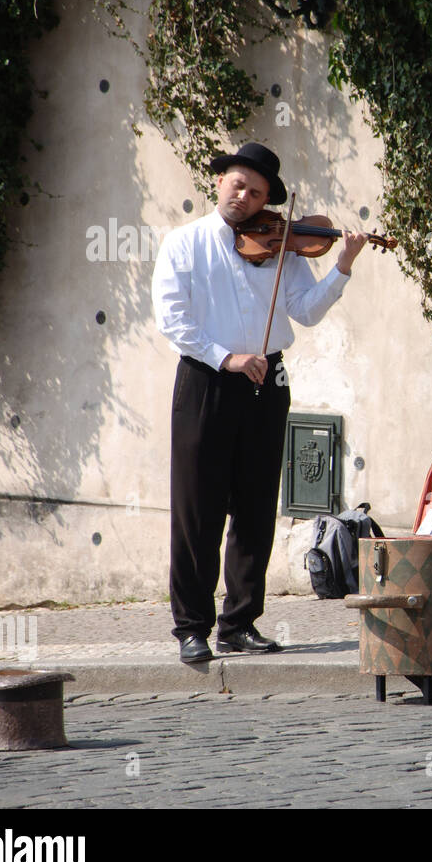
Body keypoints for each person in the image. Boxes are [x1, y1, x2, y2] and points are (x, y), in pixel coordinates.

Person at [153, 143, 371, 663]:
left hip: (266, 382)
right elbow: (173, 320)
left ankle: (240, 622)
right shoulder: (184, 244)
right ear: (220, 182)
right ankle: (191, 627)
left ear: (267, 199)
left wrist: (341, 264)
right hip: (207, 381)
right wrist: (226, 357)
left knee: (254, 510)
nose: (244, 195)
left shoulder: (281, 245)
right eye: (237, 183)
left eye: (256, 191)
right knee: (197, 511)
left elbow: (306, 311)